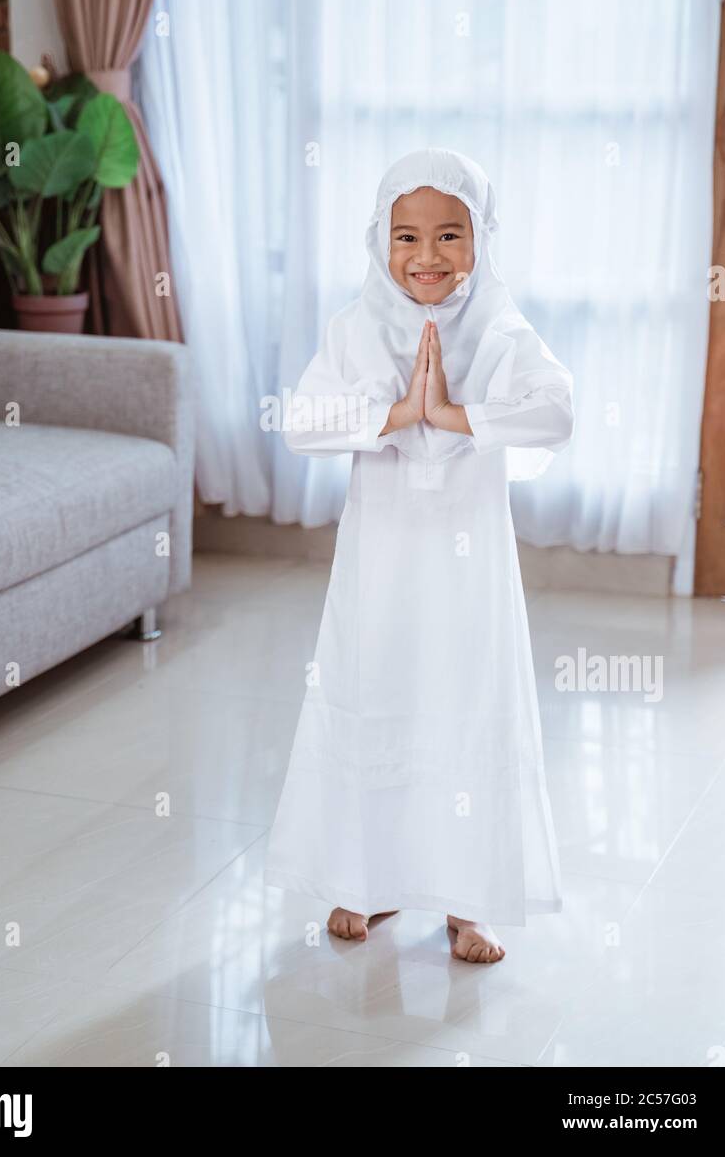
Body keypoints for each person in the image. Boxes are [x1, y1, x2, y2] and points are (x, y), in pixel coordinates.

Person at [264, 148, 574, 964]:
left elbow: (555, 414)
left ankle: (470, 904)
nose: (427, 257)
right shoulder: (357, 327)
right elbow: (302, 422)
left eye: (449, 234)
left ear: (480, 239)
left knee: (466, 708)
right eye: (406, 236)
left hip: (469, 575)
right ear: (380, 240)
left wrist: (457, 413)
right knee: (376, 696)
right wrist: (398, 412)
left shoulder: (500, 329)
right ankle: (371, 877)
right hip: (383, 565)